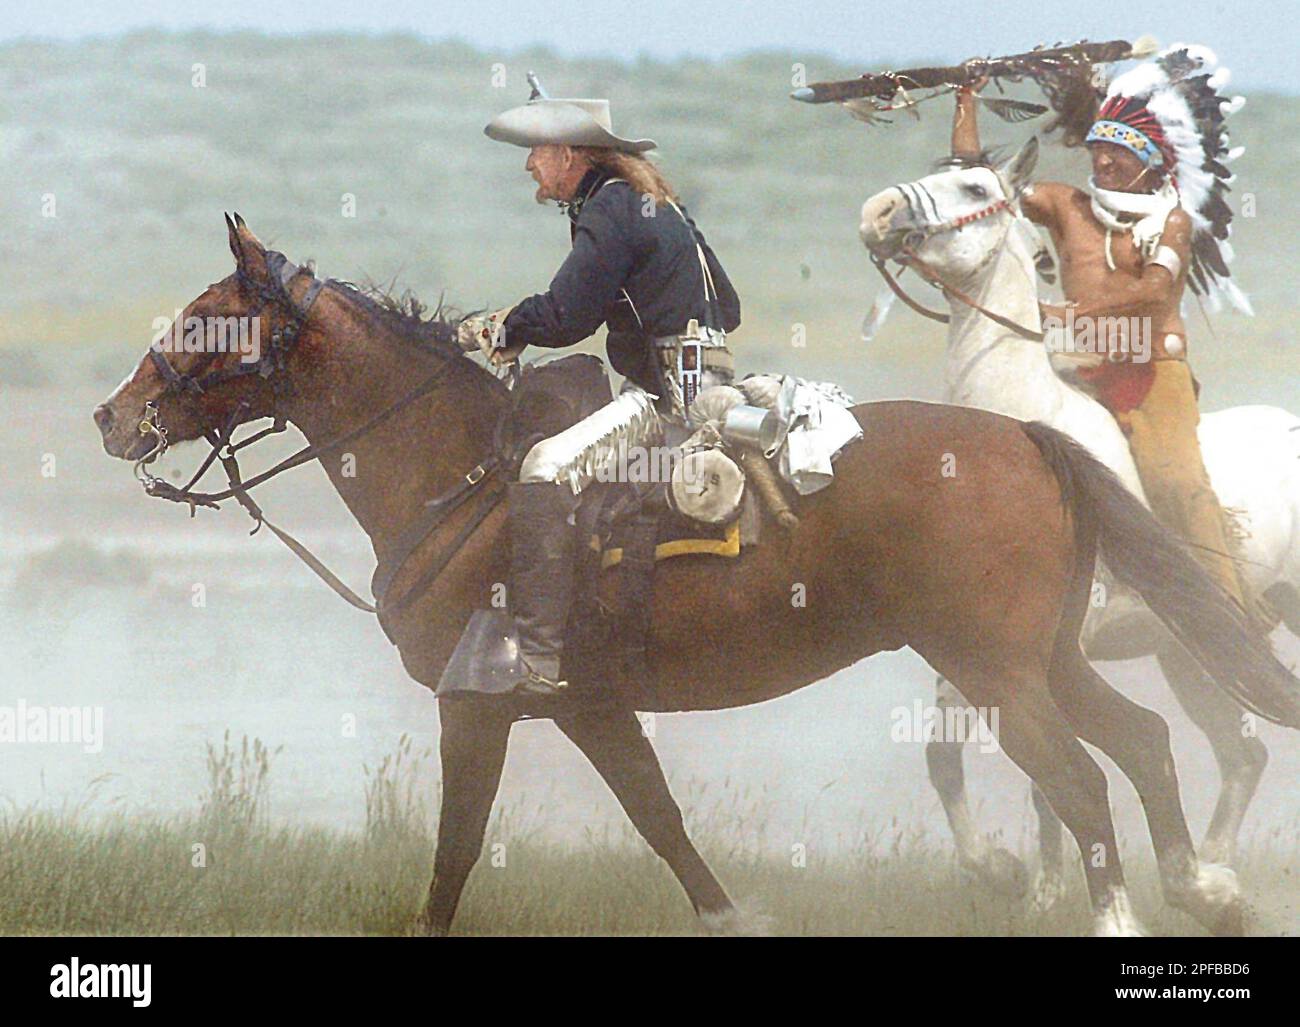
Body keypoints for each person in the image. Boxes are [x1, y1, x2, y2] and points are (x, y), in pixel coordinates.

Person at [951, 46, 1258, 617]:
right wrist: (965, 97)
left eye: (1117, 153)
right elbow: (979, 186)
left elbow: (1153, 294)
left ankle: (1228, 611)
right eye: (1098, 151)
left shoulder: (1172, 221)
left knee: (1175, 484)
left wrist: (1066, 317)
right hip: (1076, 367)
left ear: (1148, 160)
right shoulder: (1068, 207)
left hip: (1151, 371)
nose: (1103, 163)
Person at [454, 89, 741, 695]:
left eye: (535, 151)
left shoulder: (608, 209)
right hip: (718, 382)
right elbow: (730, 308)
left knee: (543, 467)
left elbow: (565, 317)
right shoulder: (660, 205)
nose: (528, 165)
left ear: (566, 154)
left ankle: (538, 661)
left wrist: (494, 327)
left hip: (667, 398)